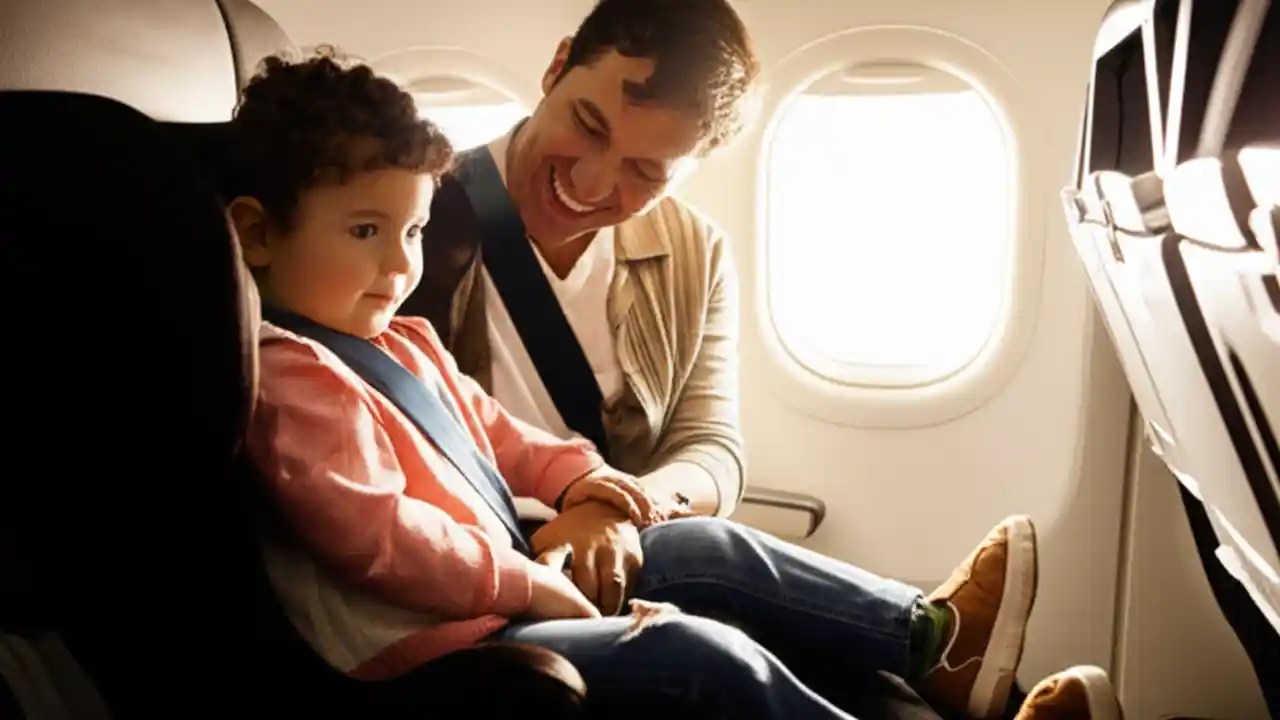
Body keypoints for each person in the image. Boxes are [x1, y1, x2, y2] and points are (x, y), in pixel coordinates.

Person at [231, 51, 1122, 719]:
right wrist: (527, 579)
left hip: (514, 570)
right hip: (437, 642)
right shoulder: (290, 374)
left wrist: (588, 485)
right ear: (259, 235)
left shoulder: (404, 336)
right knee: (701, 657)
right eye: (365, 232)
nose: (399, 265)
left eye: (413, 233)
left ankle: (934, 640)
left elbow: (505, 436)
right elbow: (384, 540)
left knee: (707, 549)